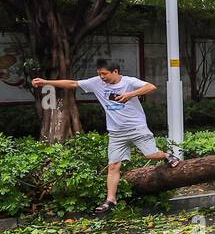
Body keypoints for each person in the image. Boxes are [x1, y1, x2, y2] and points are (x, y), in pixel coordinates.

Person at [31, 59, 179, 214]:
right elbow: (73, 84)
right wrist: (46, 82)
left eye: (104, 74)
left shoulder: (129, 82)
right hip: (116, 133)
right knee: (113, 165)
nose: (102, 77)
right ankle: (110, 200)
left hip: (136, 128)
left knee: (151, 154)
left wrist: (131, 94)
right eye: (99, 74)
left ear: (115, 72)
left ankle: (167, 155)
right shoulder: (96, 83)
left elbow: (151, 86)